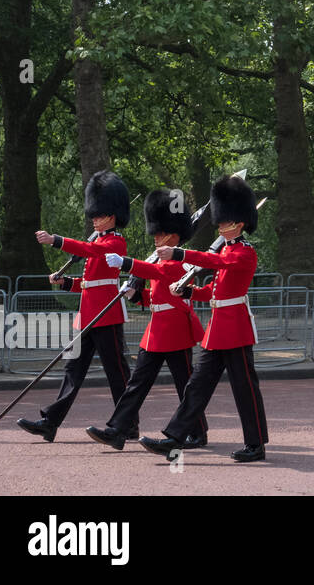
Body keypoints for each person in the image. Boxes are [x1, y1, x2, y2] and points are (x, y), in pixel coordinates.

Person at [139, 174, 269, 461]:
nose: (219, 224)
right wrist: (188, 292)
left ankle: (256, 444)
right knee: (196, 387)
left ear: (239, 222)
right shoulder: (228, 249)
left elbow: (216, 262)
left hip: (235, 329)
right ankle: (175, 437)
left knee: (244, 390)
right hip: (217, 330)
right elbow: (213, 291)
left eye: (224, 221)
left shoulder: (244, 253)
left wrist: (180, 253)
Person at [86, 189, 208, 449]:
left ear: (174, 235)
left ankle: (198, 433)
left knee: (185, 386)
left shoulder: (180, 264)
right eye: (155, 232)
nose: (156, 237)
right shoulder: (163, 260)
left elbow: (157, 272)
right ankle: (116, 430)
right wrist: (134, 295)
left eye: (160, 233)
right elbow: (155, 296)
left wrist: (127, 263)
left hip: (176, 331)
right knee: (136, 384)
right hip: (156, 331)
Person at [19, 171, 133, 443]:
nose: (94, 218)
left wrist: (56, 240)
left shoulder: (114, 242)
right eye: (93, 214)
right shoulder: (98, 240)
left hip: (106, 316)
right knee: (73, 371)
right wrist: (66, 282)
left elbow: (90, 253)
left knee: (117, 374)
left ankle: (128, 423)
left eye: (99, 214)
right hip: (87, 317)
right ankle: (50, 422)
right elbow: (89, 283)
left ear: (112, 215)